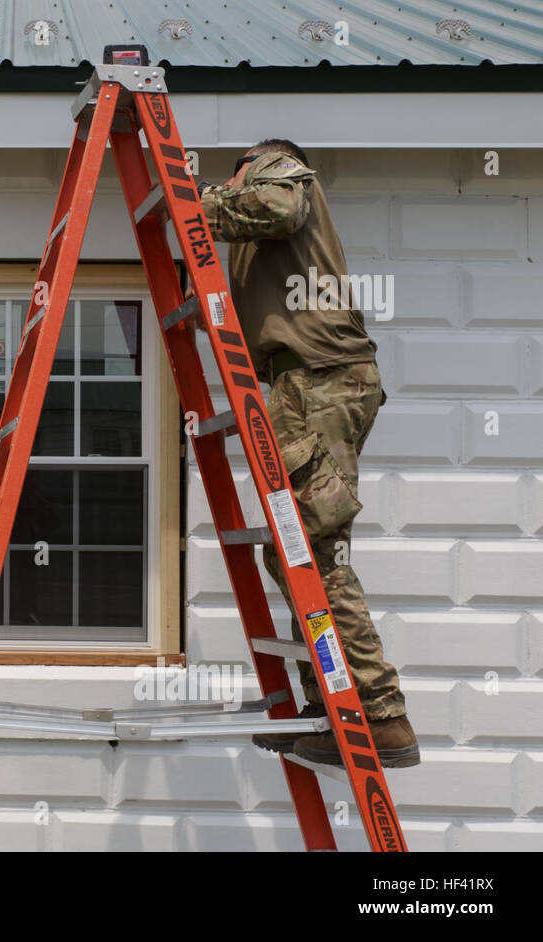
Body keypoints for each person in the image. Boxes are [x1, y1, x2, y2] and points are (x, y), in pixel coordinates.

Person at [197, 139, 418, 768]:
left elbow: (278, 204)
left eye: (234, 176)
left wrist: (197, 202)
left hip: (320, 380)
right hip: (306, 383)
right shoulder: (253, 250)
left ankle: (380, 717)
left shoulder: (276, 168)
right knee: (291, 555)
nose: (231, 186)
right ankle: (329, 707)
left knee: (315, 555)